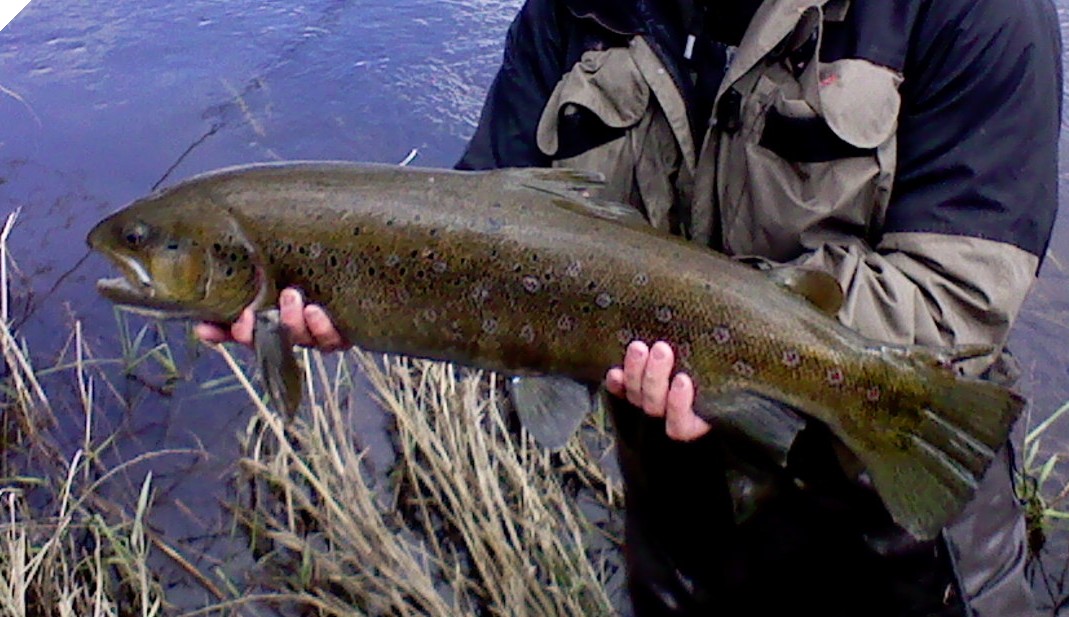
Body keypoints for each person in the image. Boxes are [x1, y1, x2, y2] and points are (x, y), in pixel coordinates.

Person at [198, 0, 1063, 614]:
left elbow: (958, 292)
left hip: (889, 529)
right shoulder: (581, 10)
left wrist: (737, 346)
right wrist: (354, 295)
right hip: (674, 519)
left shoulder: (974, 13)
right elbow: (478, 215)